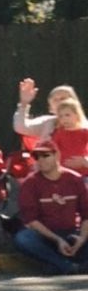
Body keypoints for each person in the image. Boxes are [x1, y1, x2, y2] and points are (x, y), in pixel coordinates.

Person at [13, 139, 88, 274]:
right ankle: (67, 266)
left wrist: (82, 238)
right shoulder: (30, 183)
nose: (41, 160)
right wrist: (57, 240)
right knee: (23, 238)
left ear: (57, 155)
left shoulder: (75, 179)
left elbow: (86, 213)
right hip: (46, 236)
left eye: (46, 155)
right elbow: (31, 220)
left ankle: (57, 265)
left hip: (73, 234)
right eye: (37, 157)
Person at [14, 79, 79, 141]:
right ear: (50, 108)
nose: (59, 102)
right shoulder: (46, 122)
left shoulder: (83, 126)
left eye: (63, 98)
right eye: (55, 100)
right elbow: (21, 127)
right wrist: (24, 103)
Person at [50, 99, 88, 175]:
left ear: (77, 115)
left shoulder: (84, 132)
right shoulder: (59, 133)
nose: (64, 118)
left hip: (83, 172)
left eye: (67, 115)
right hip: (64, 173)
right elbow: (53, 150)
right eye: (61, 116)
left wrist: (85, 161)